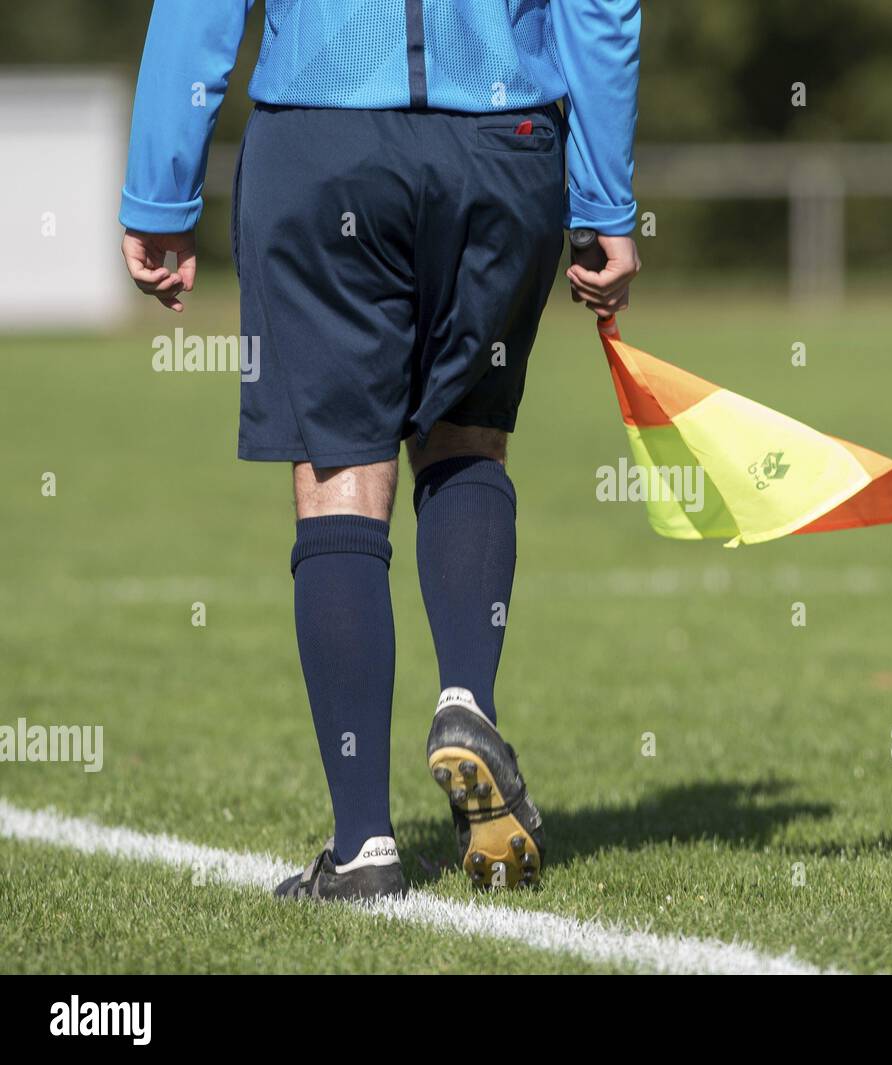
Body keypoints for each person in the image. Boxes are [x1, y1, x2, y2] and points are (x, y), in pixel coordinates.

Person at [118, 0, 642, 900]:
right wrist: (605, 201)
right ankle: (466, 698)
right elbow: (599, 6)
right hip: (502, 141)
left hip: (323, 144)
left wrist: (163, 188)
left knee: (340, 475)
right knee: (469, 436)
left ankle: (363, 847)